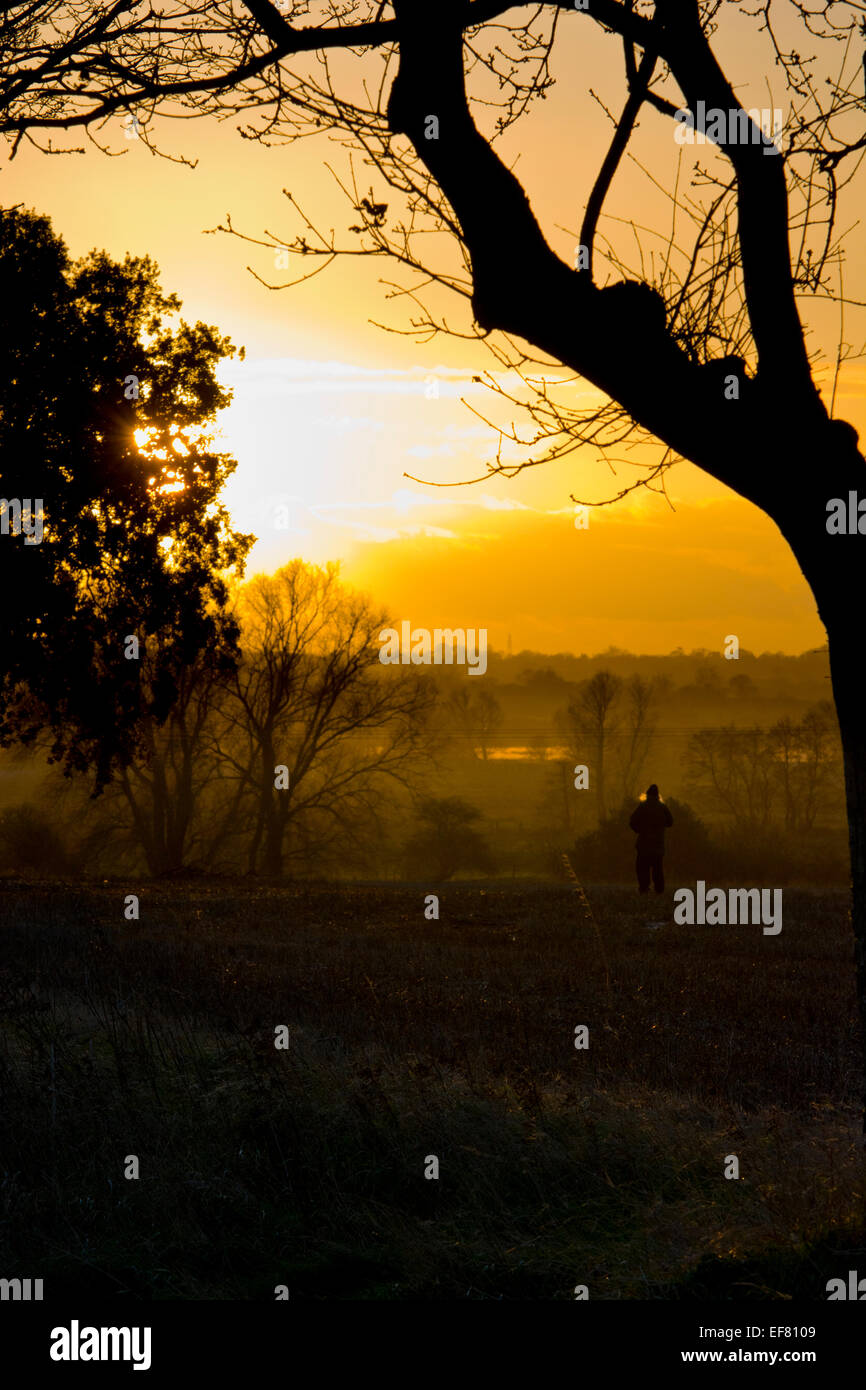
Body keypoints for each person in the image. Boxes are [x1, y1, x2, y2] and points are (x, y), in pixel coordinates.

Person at [629, 784, 673, 894]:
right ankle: (659, 890)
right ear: (657, 795)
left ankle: (644, 889)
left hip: (643, 844)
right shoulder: (662, 807)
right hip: (658, 845)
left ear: (647, 794)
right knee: (657, 869)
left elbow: (632, 821)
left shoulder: (642, 806)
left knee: (642, 868)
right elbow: (670, 822)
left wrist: (639, 830)